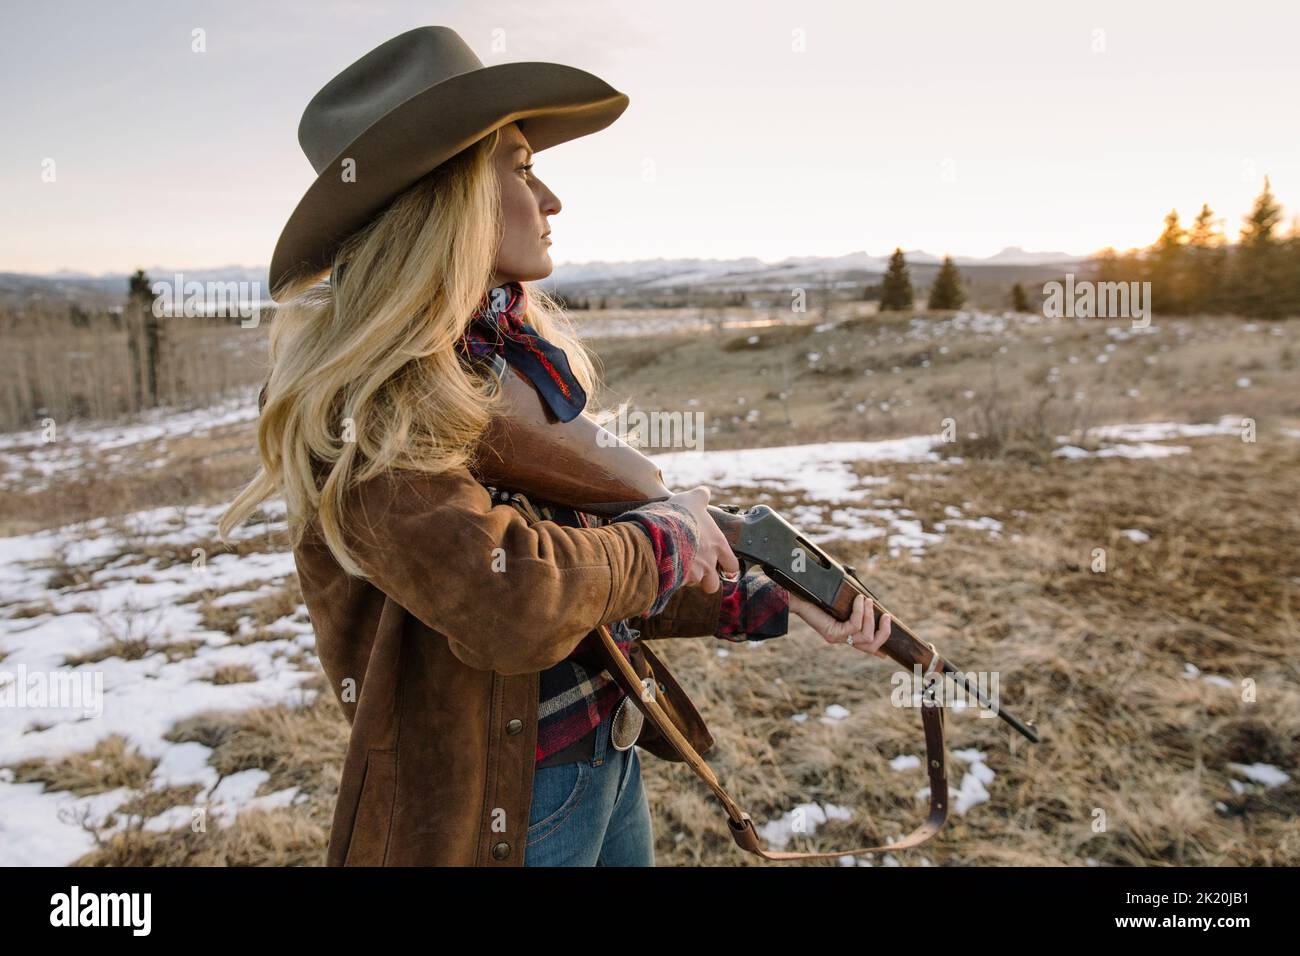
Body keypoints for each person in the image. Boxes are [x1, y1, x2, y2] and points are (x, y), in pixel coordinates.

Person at [220, 25, 891, 867]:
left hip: (598, 762)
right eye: (522, 167)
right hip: (501, 810)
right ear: (449, 194)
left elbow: (584, 571)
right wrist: (670, 536)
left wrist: (756, 597)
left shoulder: (493, 369)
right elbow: (512, 599)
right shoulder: (370, 402)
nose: (551, 200)